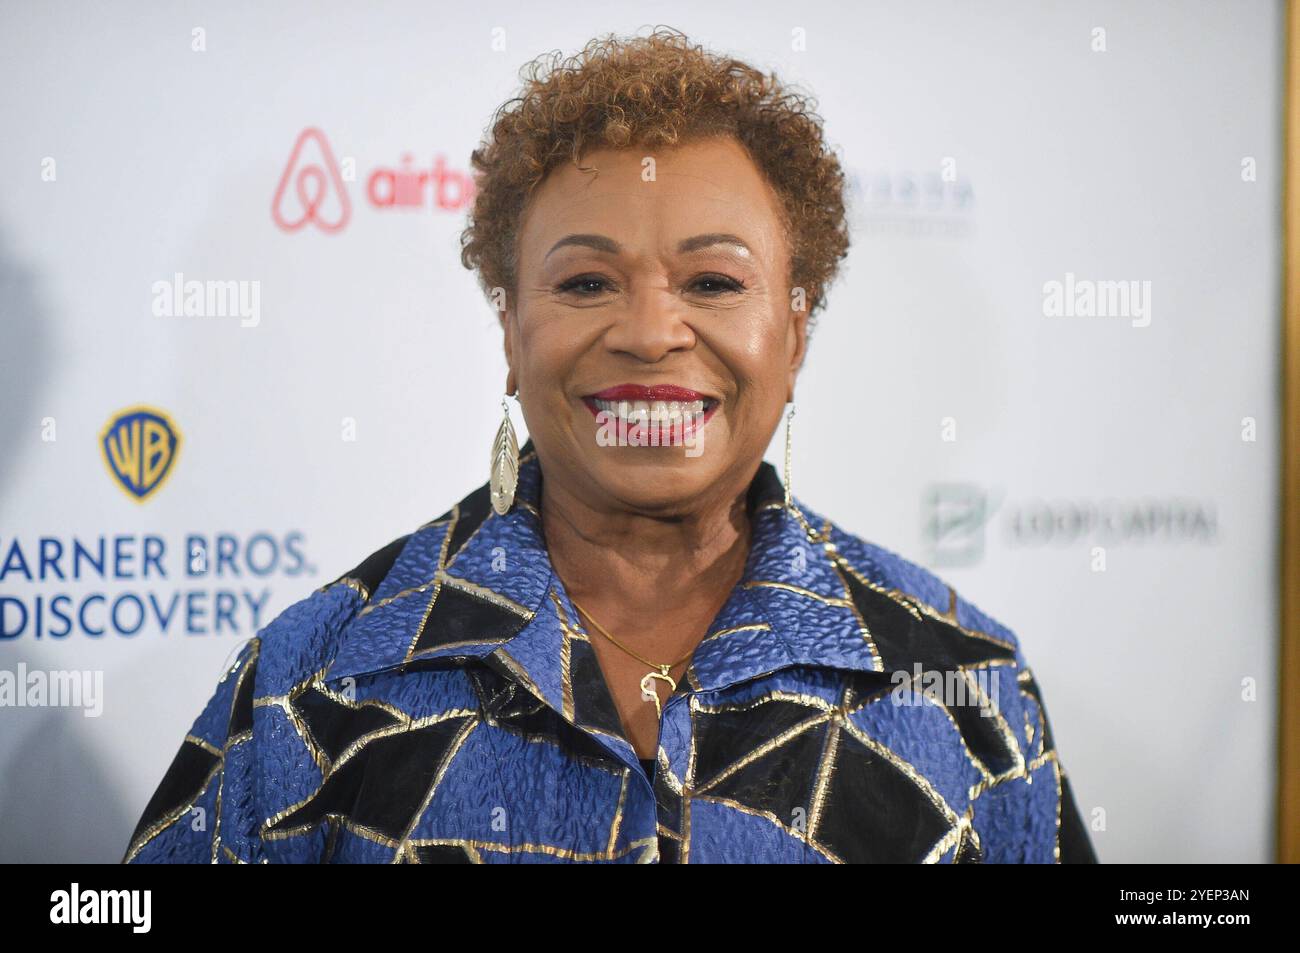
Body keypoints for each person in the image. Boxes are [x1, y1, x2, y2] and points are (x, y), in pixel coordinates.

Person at [123, 27, 1097, 864]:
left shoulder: (963, 681)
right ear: (511, 335)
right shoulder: (315, 679)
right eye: (586, 283)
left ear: (793, 335)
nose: (647, 331)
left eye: (713, 282)